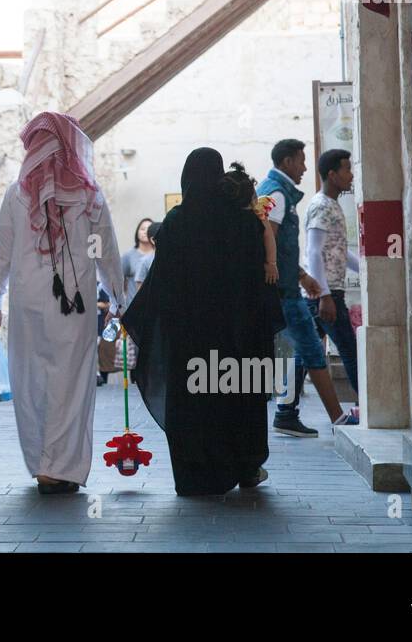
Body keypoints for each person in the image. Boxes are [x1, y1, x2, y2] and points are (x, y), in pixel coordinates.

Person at [0, 112, 125, 494]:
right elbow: (105, 251)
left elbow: (2, 256)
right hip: (74, 309)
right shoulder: (89, 194)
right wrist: (119, 298)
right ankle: (63, 467)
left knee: (32, 383)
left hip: (29, 307)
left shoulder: (17, 193)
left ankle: (43, 465)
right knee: (71, 384)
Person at [124, 149, 282, 495]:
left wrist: (135, 318)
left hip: (190, 342)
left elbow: (161, 284)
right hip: (237, 341)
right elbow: (262, 281)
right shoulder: (242, 221)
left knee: (194, 404)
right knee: (238, 397)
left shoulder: (178, 222)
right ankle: (246, 466)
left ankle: (196, 476)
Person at [256, 138, 346, 437]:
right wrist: (295, 278)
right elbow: (268, 241)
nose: (306, 167)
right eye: (301, 161)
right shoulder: (276, 194)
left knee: (305, 350)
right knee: (311, 348)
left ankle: (285, 413)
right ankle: (338, 418)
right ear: (286, 163)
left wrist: (303, 277)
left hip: (284, 287)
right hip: (282, 291)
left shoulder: (274, 193)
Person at [305, 150, 360, 408]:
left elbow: (338, 249)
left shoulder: (332, 204)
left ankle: (285, 409)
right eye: (347, 169)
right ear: (332, 174)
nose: (351, 175)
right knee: (349, 349)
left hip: (325, 293)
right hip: (325, 295)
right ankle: (369, 404)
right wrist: (324, 295)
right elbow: (313, 251)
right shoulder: (321, 206)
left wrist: (367, 271)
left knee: (305, 354)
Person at [122, 217, 156, 305]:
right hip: (133, 305)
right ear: (137, 232)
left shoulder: (158, 255)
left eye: (148, 229)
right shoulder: (128, 256)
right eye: (142, 229)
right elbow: (120, 280)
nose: (145, 232)